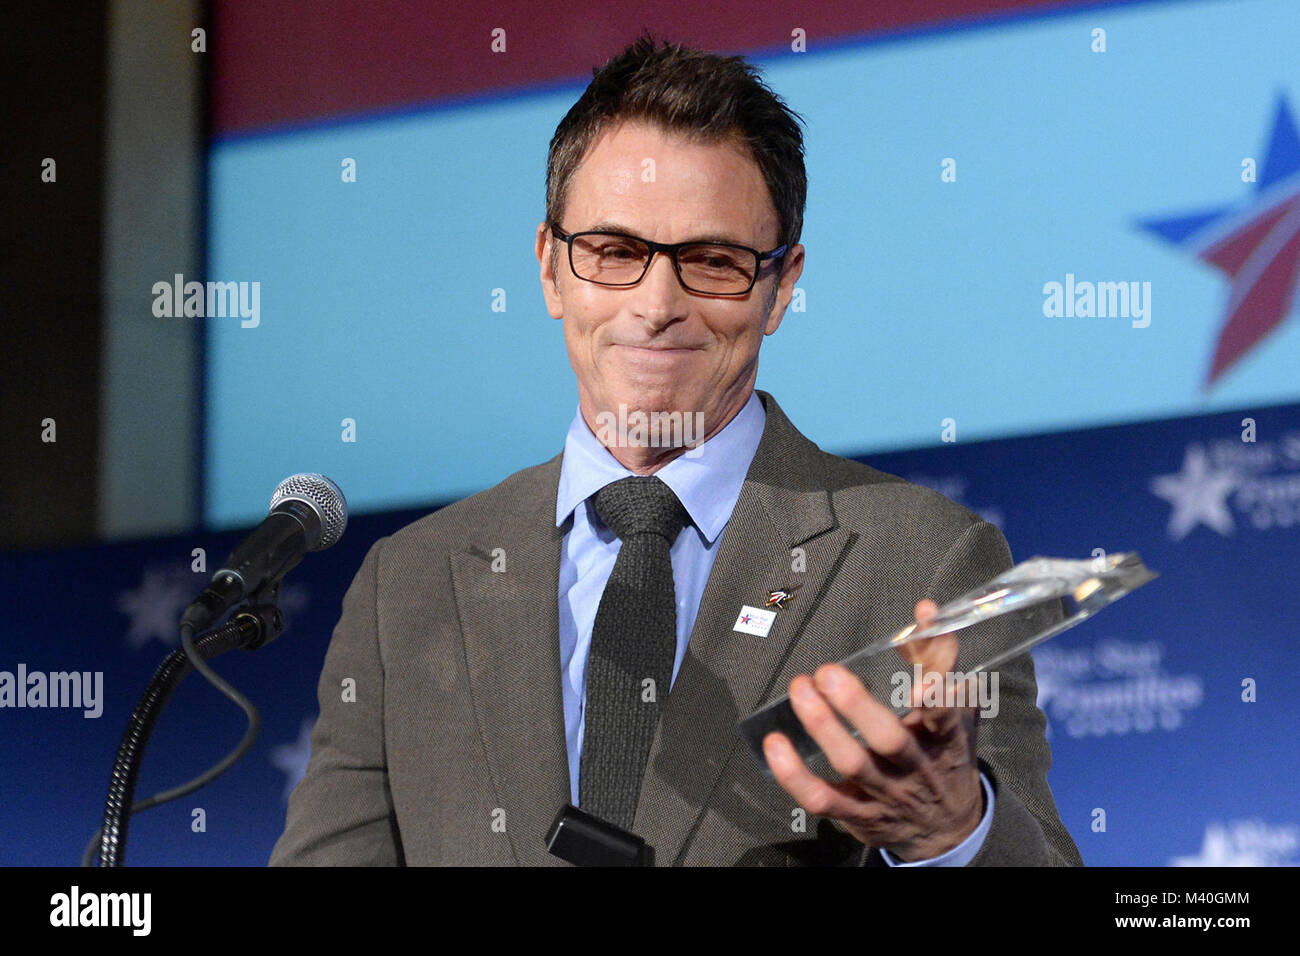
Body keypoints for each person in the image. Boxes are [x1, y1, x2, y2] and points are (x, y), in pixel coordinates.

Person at [270, 35, 1082, 867]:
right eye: (616, 252)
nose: (659, 304)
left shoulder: (923, 563)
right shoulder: (410, 584)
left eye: (713, 262)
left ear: (780, 286)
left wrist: (950, 835)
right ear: (552, 268)